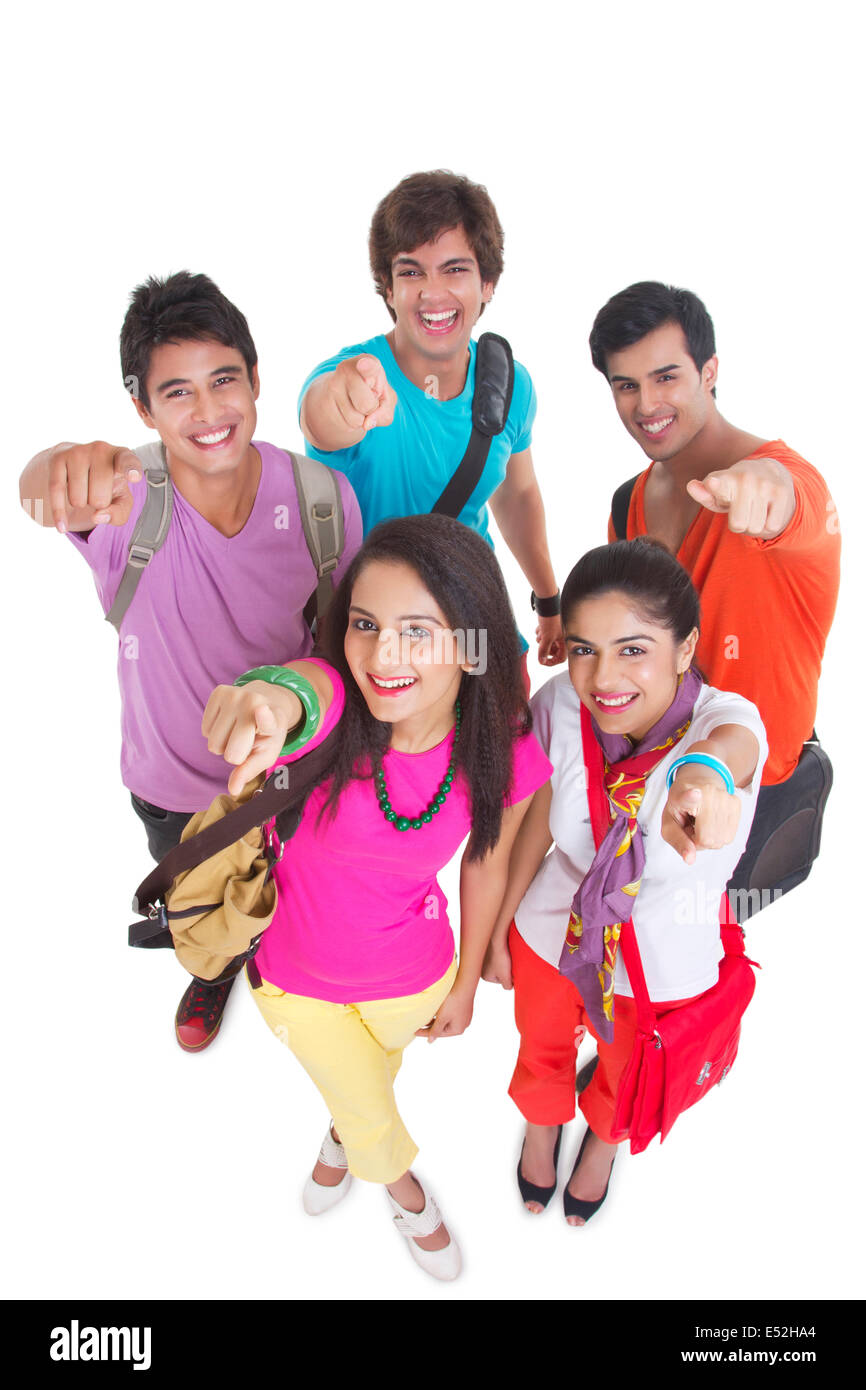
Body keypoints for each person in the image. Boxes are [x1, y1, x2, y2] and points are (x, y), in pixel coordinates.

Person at [18, 270, 362, 1052]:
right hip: (172, 793)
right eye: (177, 393)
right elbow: (44, 492)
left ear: (256, 380)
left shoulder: (320, 497)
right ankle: (211, 970)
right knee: (201, 911)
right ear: (141, 407)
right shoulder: (125, 496)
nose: (209, 414)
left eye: (224, 380)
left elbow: (346, 648)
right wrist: (53, 464)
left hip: (292, 779)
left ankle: (281, 969)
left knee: (293, 904)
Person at [202, 514, 552, 1279]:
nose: (382, 656)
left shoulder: (503, 742)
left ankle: (345, 1129)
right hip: (292, 980)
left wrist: (465, 983)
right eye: (365, 624)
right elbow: (297, 692)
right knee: (367, 1106)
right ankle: (401, 1187)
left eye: (417, 631)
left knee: (362, 1080)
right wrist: (267, 702)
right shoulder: (329, 713)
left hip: (413, 978)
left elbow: (486, 865)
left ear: (471, 641)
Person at [483, 539, 767, 1223]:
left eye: (633, 649)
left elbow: (730, 752)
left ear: (686, 646)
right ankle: (543, 1123)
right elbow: (538, 828)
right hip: (554, 933)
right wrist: (497, 931)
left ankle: (604, 1144)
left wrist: (707, 782)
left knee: (627, 1076)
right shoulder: (559, 707)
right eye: (584, 649)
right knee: (541, 1044)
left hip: (657, 967)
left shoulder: (724, 721)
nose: (604, 677)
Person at [588, 281, 838, 914]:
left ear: (710, 372)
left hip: (757, 789)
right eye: (626, 385)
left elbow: (789, 499)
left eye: (666, 377)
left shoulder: (786, 480)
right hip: (657, 786)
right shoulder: (630, 501)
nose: (647, 404)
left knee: (712, 983)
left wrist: (766, 488)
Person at [298, 169, 564, 683]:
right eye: (412, 272)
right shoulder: (351, 375)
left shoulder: (509, 384)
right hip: (375, 630)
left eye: (455, 269)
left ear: (487, 284)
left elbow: (517, 492)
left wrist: (548, 599)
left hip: (473, 620)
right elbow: (322, 416)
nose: (433, 293)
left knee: (505, 746)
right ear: (389, 289)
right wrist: (347, 399)